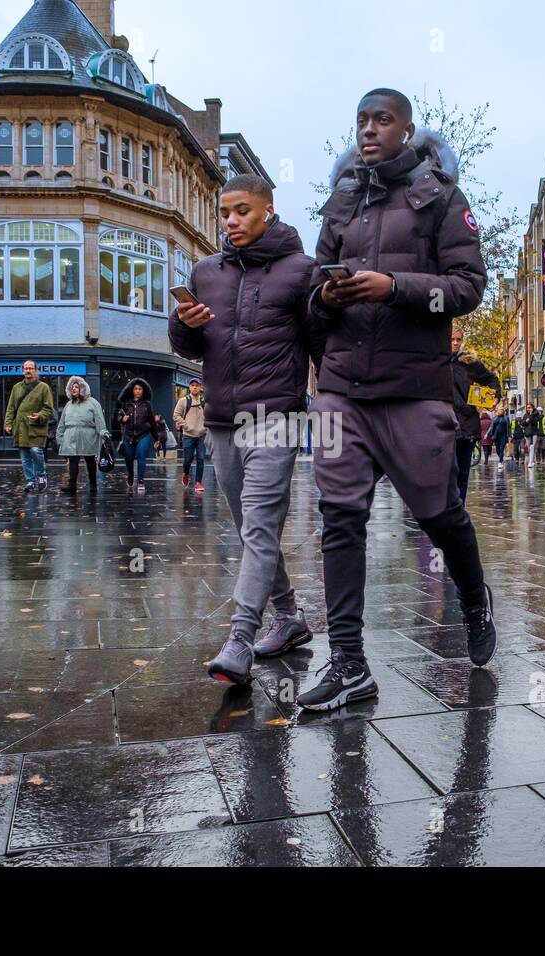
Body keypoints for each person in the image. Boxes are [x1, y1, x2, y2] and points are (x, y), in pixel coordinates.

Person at [301, 88, 496, 711]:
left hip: (414, 387)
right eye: (361, 119)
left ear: (407, 131)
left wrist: (395, 287)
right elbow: (312, 290)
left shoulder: (440, 199)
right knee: (340, 520)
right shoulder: (341, 201)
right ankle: (349, 665)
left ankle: (473, 598)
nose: (368, 129)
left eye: (382, 119)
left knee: (440, 515)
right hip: (342, 388)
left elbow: (468, 288)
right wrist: (325, 298)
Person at [171, 174, 324, 683]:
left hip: (276, 416)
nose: (231, 221)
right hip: (220, 420)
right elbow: (191, 348)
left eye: (241, 211)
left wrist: (332, 407)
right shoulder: (205, 271)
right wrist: (183, 323)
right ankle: (289, 616)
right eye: (225, 213)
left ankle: (239, 638)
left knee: (258, 526)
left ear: (268, 210)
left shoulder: (302, 271)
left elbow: (322, 345)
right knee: (248, 528)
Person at [451, 327, 502, 503]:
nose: (456, 343)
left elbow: (491, 379)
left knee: (462, 474)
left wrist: (494, 397)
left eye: (459, 339)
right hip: (440, 426)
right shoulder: (433, 361)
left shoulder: (469, 363)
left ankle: (458, 513)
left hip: (465, 426)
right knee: (444, 475)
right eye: (452, 339)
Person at [4, 360, 55, 492]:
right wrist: (8, 423)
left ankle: (41, 476)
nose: (28, 370)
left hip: (36, 427)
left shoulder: (43, 387)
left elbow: (48, 408)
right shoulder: (17, 387)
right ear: (22, 371)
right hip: (20, 427)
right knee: (25, 457)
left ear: (36, 370)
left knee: (35, 450)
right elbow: (10, 408)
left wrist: (39, 416)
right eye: (25, 368)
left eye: (30, 368)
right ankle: (30, 481)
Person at [56, 376, 110, 496]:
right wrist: (59, 437)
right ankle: (72, 485)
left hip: (88, 436)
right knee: (73, 461)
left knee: (90, 460)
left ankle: (93, 485)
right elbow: (62, 423)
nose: (74, 389)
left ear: (83, 388)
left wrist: (104, 432)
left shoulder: (93, 403)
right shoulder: (68, 405)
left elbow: (99, 421)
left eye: (77, 387)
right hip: (71, 435)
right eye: (72, 387)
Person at [117, 379, 156, 493]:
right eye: (136, 389)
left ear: (143, 391)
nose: (138, 391)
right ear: (132, 390)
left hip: (144, 434)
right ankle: (130, 474)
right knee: (128, 458)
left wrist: (156, 438)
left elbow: (152, 421)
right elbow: (118, 417)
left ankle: (140, 480)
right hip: (128, 435)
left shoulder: (147, 404)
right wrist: (122, 419)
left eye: (140, 389)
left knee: (141, 456)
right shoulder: (126, 404)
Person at [173, 379, 207, 492]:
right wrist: (185, 425)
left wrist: (206, 426)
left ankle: (198, 482)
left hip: (202, 434)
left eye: (197, 385)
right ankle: (186, 473)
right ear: (189, 387)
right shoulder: (184, 401)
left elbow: (211, 414)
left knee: (201, 458)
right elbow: (176, 415)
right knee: (187, 459)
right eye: (192, 385)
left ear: (200, 387)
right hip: (188, 435)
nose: (195, 387)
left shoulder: (205, 401)